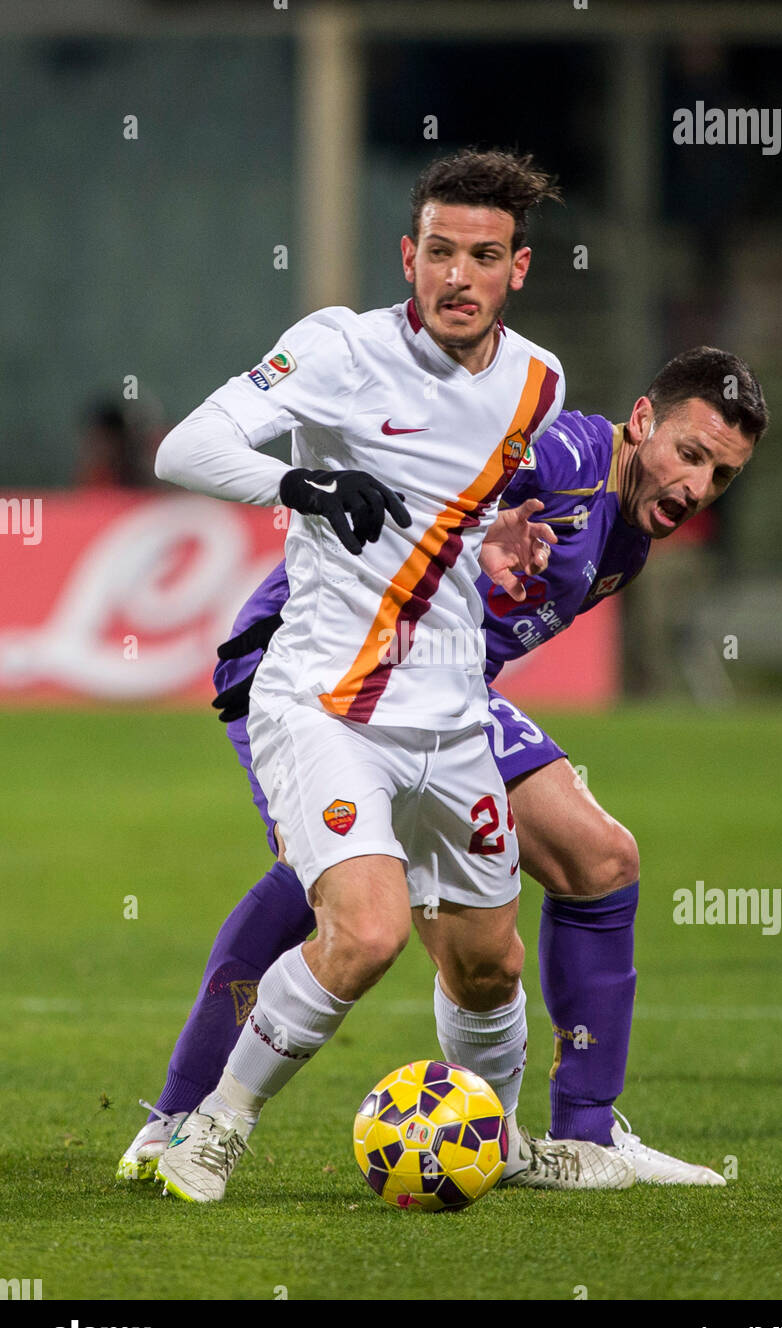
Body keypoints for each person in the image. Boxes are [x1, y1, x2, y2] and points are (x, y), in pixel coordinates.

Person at [119, 345, 768, 1192]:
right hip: (316, 663)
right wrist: (479, 515)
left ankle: (587, 1135)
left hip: (439, 693)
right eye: (689, 453)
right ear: (640, 422)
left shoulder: (628, 529)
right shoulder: (569, 457)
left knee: (598, 861)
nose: (695, 488)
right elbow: (451, 462)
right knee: (327, 894)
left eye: (720, 476)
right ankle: (177, 1119)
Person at [142, 148, 650, 1205]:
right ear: (405, 255)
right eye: (437, 252)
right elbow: (185, 448)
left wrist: (505, 535)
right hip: (324, 701)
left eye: (482, 256)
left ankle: (495, 1140)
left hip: (451, 715)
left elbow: (469, 496)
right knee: (366, 929)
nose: (456, 276)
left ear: (518, 268)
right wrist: (301, 481)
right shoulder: (336, 347)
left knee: (489, 964)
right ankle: (208, 1131)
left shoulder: (540, 381)